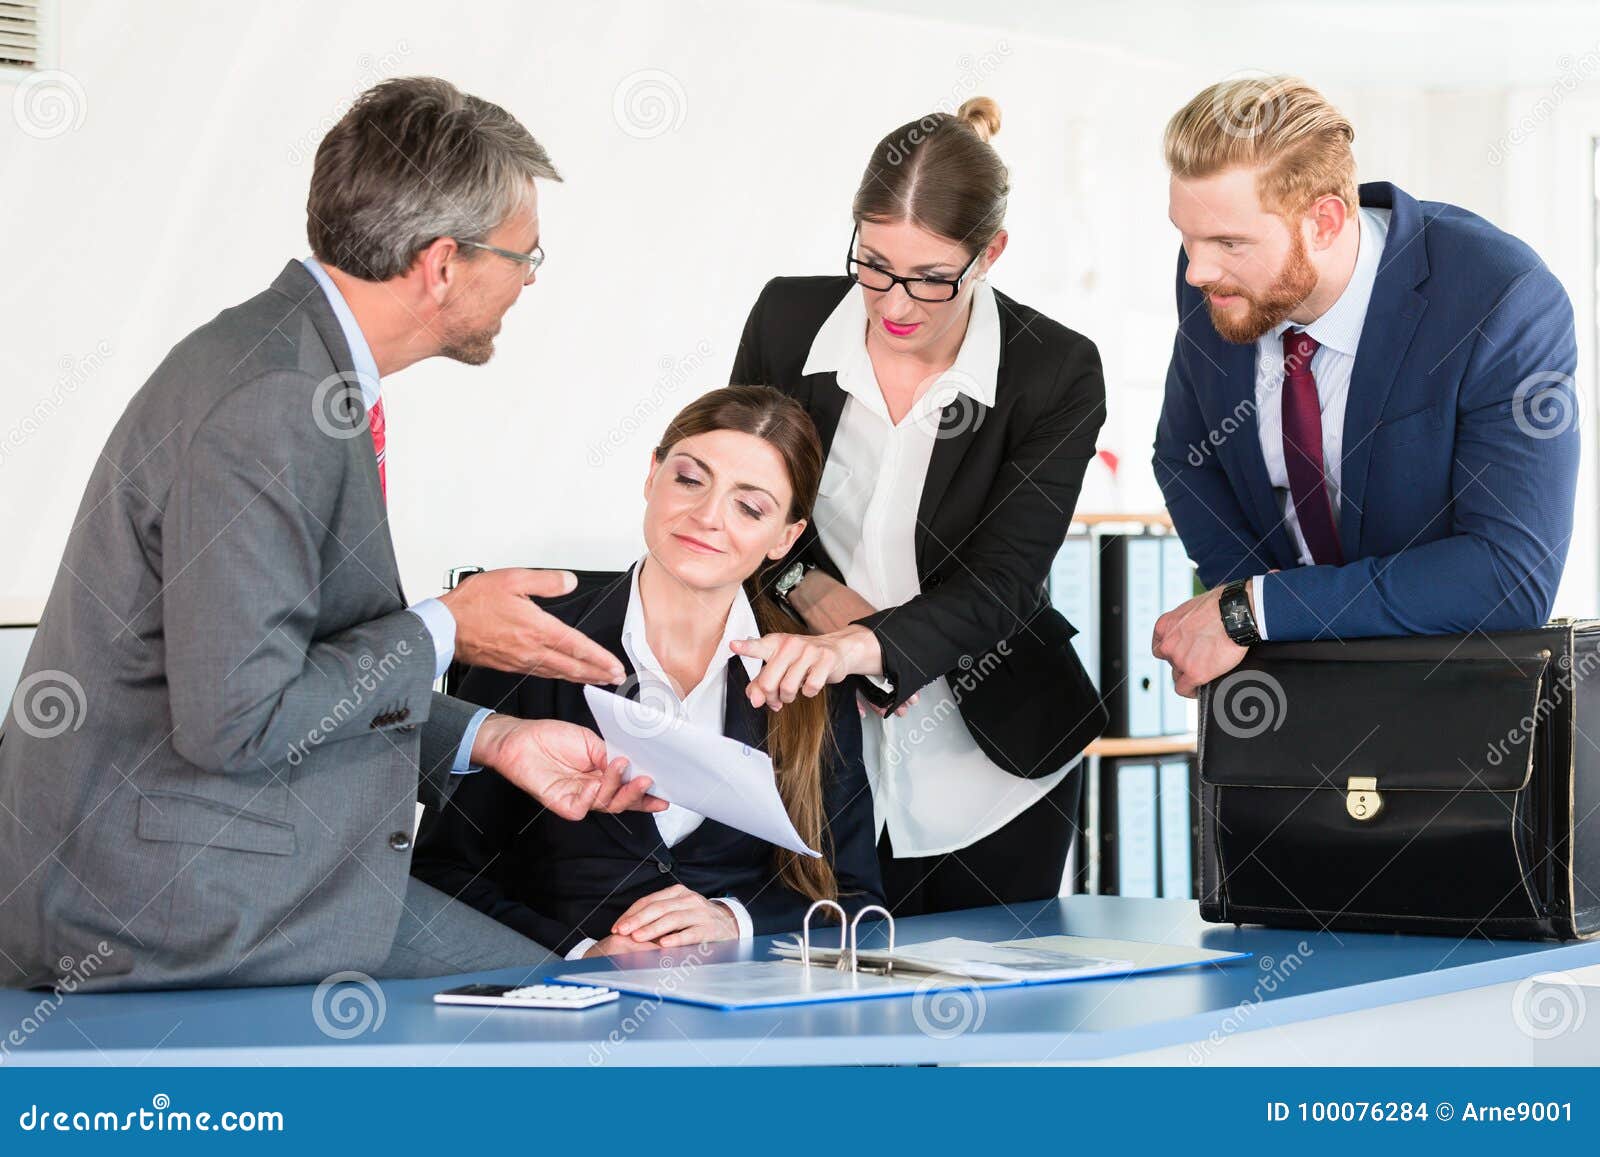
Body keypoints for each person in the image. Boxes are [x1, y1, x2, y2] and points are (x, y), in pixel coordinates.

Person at [0, 77, 665, 992]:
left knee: (573, 993)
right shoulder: (274, 403)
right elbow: (238, 719)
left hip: (206, 862)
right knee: (579, 1012)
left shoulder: (288, 361)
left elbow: (289, 660)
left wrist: (494, 740)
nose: (529, 279)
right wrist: (450, 627)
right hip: (160, 900)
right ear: (442, 264)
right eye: (524, 254)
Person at [726, 98, 1108, 917]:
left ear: (990, 253)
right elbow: (740, 503)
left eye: (933, 278)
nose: (895, 304)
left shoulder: (1055, 370)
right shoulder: (789, 323)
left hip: (995, 764)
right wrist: (810, 591)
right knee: (827, 1007)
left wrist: (871, 646)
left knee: (994, 1022)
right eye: (873, 264)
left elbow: (1007, 578)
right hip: (813, 745)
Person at [412, 387, 884, 957]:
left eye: (750, 507)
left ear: (784, 537)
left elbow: (859, 901)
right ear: (652, 475)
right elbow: (442, 875)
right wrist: (581, 955)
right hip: (553, 1012)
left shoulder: (805, 670)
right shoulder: (533, 633)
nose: (707, 517)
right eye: (690, 480)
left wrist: (734, 920)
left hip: (742, 1022)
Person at [1151, 76, 1579, 694]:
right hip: (1273, 695)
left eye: (1228, 242)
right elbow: (1186, 459)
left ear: (1324, 221)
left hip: (1444, 712)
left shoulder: (1500, 296)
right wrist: (1242, 619)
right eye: (1185, 236)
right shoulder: (1220, 279)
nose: (1197, 269)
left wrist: (1259, 609)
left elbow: (1510, 576)